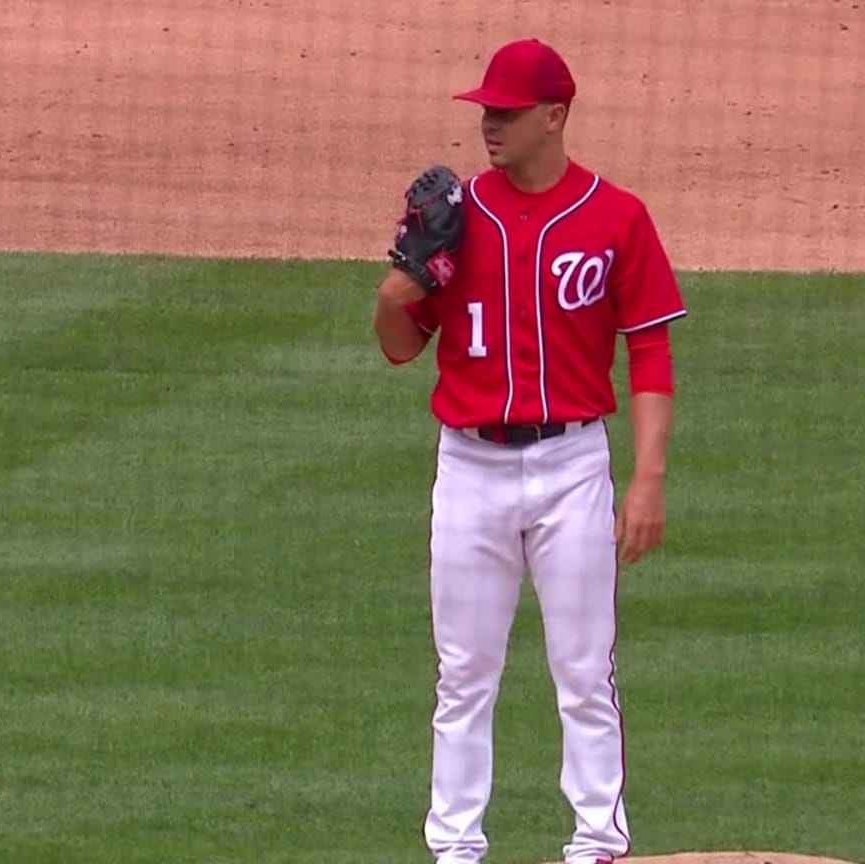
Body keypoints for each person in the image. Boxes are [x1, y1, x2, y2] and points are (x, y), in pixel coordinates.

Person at [373, 37, 688, 864]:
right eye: (485, 111)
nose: (490, 125)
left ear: (555, 115)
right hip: (469, 468)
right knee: (463, 676)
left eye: (507, 112)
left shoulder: (617, 217)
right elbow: (401, 347)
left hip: (572, 466)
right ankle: (455, 848)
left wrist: (647, 479)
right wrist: (392, 294)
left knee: (585, 671)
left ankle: (596, 844)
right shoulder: (459, 216)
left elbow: (650, 351)